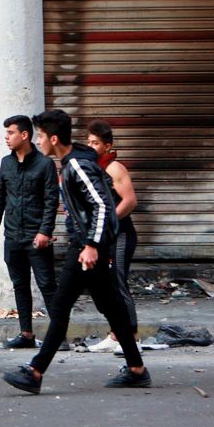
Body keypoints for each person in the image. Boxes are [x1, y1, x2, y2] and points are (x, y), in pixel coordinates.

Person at [2, 110, 150, 395]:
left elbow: (103, 206)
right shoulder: (74, 161)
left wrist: (92, 245)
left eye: (41, 136)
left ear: (53, 139)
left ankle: (35, 371)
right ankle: (136, 369)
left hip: (85, 247)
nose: (39, 141)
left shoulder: (77, 165)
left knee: (60, 307)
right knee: (111, 307)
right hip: (87, 245)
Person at [0, 114, 59, 350]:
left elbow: (51, 201)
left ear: (24, 135)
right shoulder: (6, 163)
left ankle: (59, 336)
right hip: (13, 236)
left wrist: (44, 231)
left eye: (11, 133)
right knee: (20, 285)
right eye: (6, 133)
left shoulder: (45, 164)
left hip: (36, 237)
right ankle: (26, 333)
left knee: (47, 285)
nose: (6, 138)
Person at [85, 120, 140, 353]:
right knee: (105, 286)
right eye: (88, 142)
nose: (91, 146)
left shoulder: (114, 168)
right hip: (104, 236)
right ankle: (115, 334)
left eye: (95, 143)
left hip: (121, 234)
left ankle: (133, 337)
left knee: (118, 283)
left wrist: (107, 223)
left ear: (108, 146)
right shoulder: (94, 166)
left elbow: (130, 201)